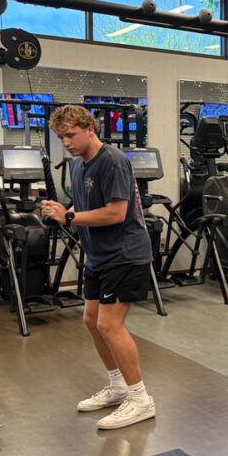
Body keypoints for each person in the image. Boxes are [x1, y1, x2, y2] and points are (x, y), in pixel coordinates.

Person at [41, 105, 156, 430]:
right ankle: (118, 385)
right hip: (98, 256)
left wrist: (71, 217)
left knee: (110, 325)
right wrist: (62, 211)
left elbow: (116, 213)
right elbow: (85, 206)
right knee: (91, 320)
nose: (66, 142)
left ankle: (140, 398)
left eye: (71, 135)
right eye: (62, 137)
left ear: (90, 128)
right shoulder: (79, 166)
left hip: (125, 254)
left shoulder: (112, 161)